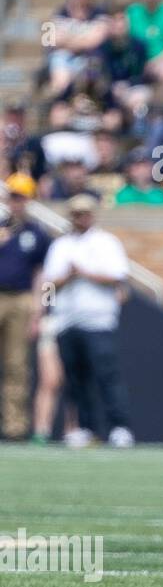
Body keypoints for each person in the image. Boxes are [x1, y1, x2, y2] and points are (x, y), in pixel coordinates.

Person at [42, 194, 133, 448]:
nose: (80, 218)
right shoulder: (60, 245)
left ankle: (119, 427)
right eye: (76, 214)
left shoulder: (106, 242)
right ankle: (85, 427)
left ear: (92, 215)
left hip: (98, 319)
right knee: (75, 378)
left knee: (106, 375)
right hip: (66, 320)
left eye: (85, 213)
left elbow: (117, 276)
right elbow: (48, 284)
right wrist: (68, 277)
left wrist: (84, 272)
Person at [0, 174, 51, 440]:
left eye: (21, 197)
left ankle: (14, 428)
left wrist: (39, 310)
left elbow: (42, 275)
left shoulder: (36, 233)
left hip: (20, 299)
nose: (15, 202)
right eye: (12, 196)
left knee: (16, 366)